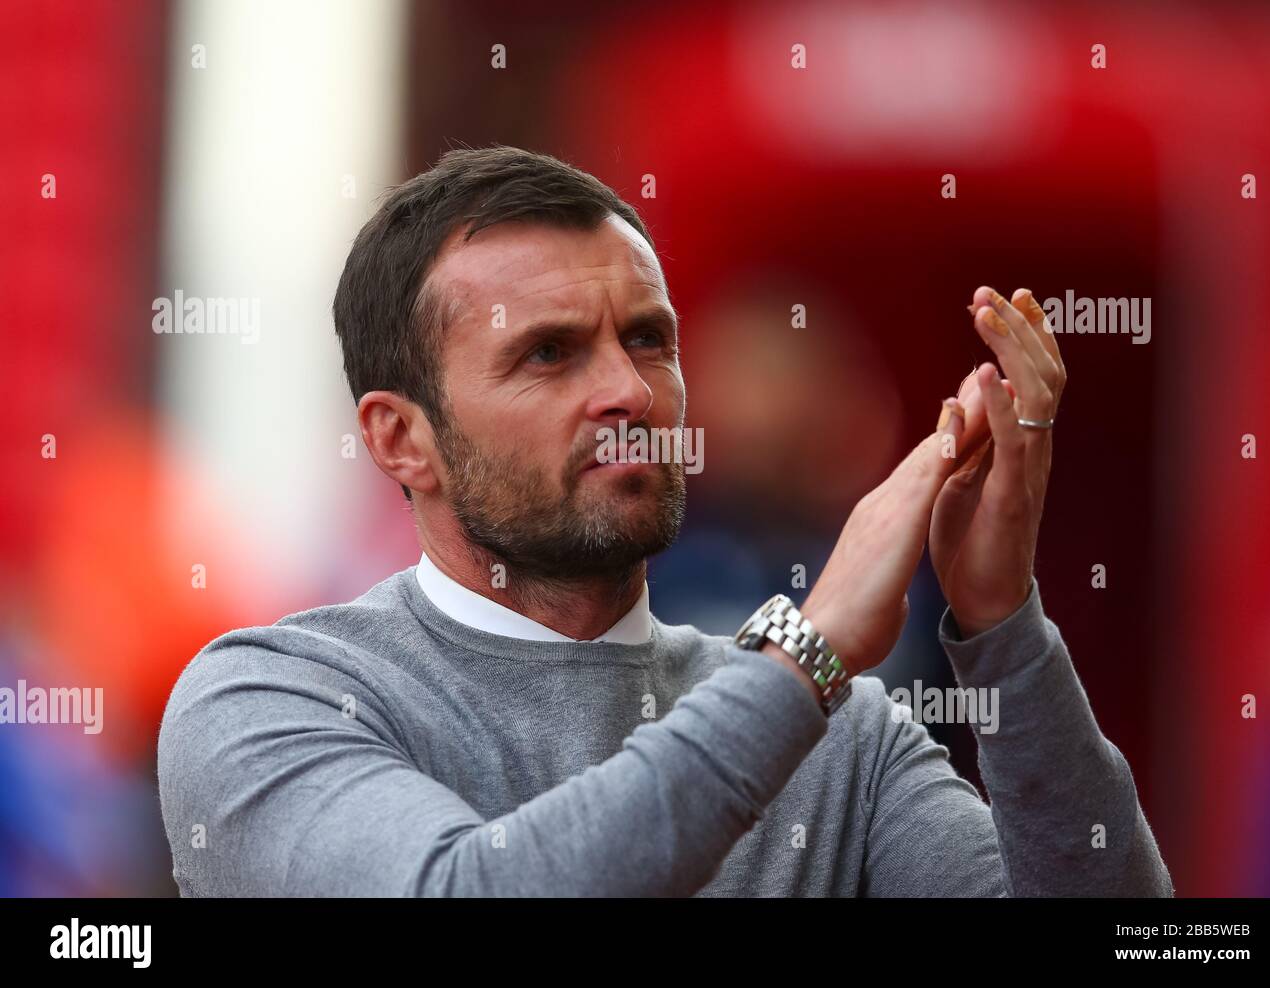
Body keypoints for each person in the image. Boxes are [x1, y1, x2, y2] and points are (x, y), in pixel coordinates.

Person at [157, 145, 1173, 897]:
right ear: (399, 438)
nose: (628, 392)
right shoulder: (273, 698)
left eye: (647, 340)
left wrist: (1003, 631)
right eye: (549, 353)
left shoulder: (847, 737)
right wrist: (805, 658)